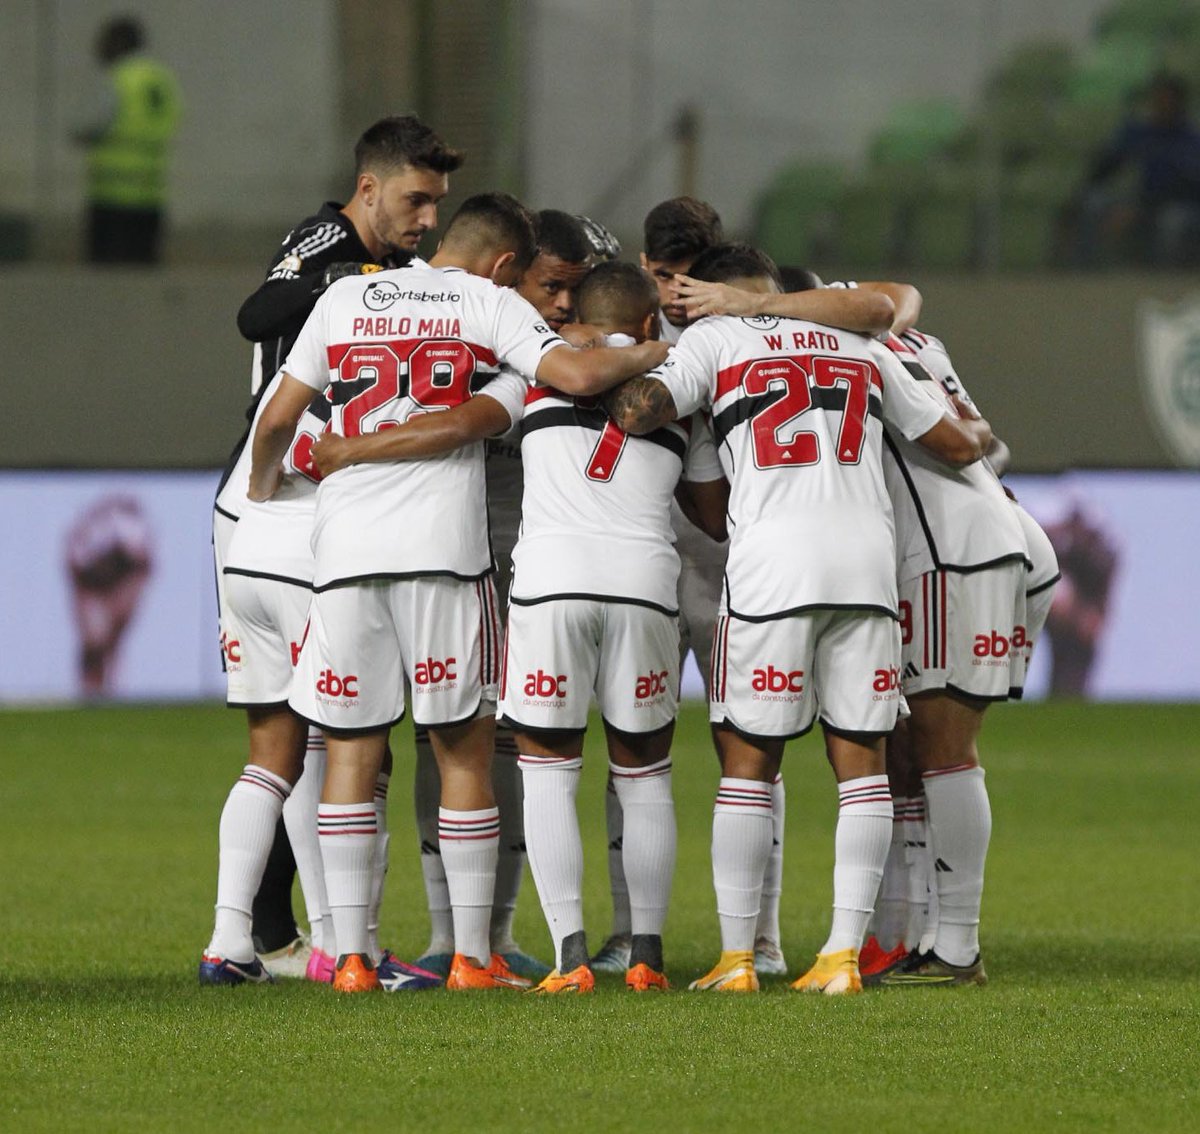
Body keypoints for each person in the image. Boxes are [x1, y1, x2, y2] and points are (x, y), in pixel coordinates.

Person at [249, 194, 668, 993]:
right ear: (508, 264)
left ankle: (352, 959)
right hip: (444, 552)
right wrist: (659, 352)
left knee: (350, 752)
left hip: (344, 554)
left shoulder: (344, 295)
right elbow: (571, 375)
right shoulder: (486, 304)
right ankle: (475, 953)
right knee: (464, 746)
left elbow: (277, 415)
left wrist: (273, 485)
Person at [605, 243, 992, 995]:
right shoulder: (858, 342)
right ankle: (843, 956)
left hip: (772, 572)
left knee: (749, 764)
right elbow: (950, 440)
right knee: (862, 764)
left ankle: (738, 959)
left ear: (716, 291)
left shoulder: (714, 340)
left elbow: (638, 411)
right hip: (866, 571)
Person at [212, 114, 461, 980]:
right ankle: (336, 945)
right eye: (415, 199)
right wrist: (363, 280)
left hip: (307, 501)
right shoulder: (328, 239)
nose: (425, 219)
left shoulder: (407, 276)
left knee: (290, 743)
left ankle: (249, 939)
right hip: (282, 498)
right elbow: (258, 313)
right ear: (369, 188)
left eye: (436, 205)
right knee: (335, 735)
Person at [499, 261, 727, 993]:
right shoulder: (679, 400)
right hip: (644, 588)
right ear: (651, 320)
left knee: (548, 771)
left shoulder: (533, 373)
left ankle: (570, 960)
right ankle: (647, 959)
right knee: (645, 775)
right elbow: (713, 515)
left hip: (550, 585)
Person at [410, 208, 597, 982]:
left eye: (572, 294)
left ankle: (497, 930)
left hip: (525, 560)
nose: (560, 307)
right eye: (551, 287)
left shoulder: (540, 346)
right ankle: (445, 933)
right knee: (443, 737)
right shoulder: (468, 336)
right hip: (452, 554)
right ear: (509, 271)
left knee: (509, 741)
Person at [75, 16, 181, 264]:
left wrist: (81, 135)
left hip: (112, 192)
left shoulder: (120, 78)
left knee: (107, 274)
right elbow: (173, 116)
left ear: (120, 43)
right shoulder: (161, 78)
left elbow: (96, 123)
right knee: (142, 268)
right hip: (150, 190)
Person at [1076, 73, 1200, 267]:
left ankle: (1161, 276)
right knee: (1094, 202)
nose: (1160, 105)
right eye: (1156, 99)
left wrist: (1139, 208)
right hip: (1139, 199)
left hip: (1177, 204)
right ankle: (1088, 267)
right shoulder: (1139, 132)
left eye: (1166, 100)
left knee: (1173, 222)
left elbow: (1187, 185)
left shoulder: (1190, 139)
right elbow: (1108, 166)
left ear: (1179, 103)